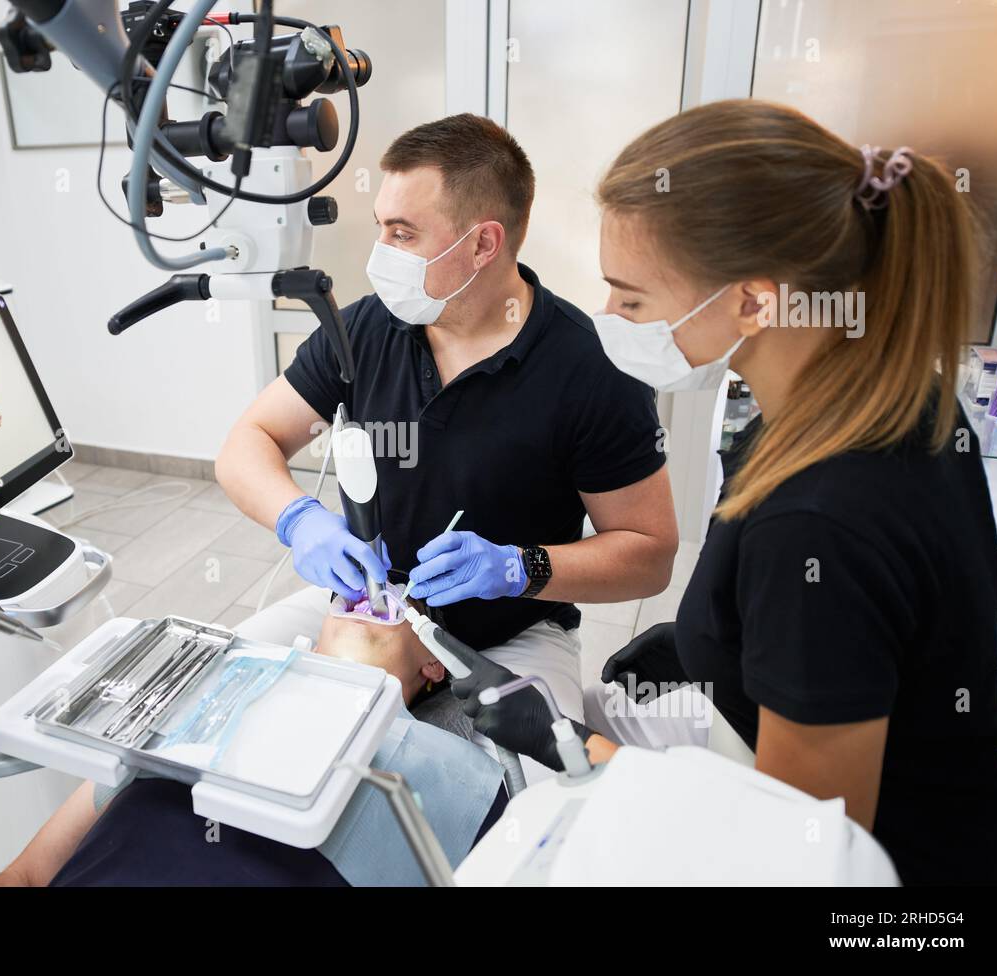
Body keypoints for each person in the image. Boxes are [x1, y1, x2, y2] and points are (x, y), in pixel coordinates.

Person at [449, 99, 997, 886]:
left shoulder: (822, 521)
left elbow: (802, 848)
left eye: (632, 298)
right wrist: (702, 646)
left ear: (752, 300)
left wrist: (590, 754)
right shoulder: (865, 392)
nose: (607, 316)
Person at [216, 114, 678, 779]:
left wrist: (523, 568)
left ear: (483, 243)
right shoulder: (367, 329)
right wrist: (301, 520)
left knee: (533, 804)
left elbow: (649, 555)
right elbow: (246, 443)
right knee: (218, 701)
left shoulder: (591, 372)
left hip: (514, 634)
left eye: (402, 233)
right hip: (370, 605)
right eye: (381, 226)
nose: (381, 252)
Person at [0, 594, 510, 887]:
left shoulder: (464, 774)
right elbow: (25, 875)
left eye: (395, 594)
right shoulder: (192, 698)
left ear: (434, 665)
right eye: (344, 590)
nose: (369, 591)